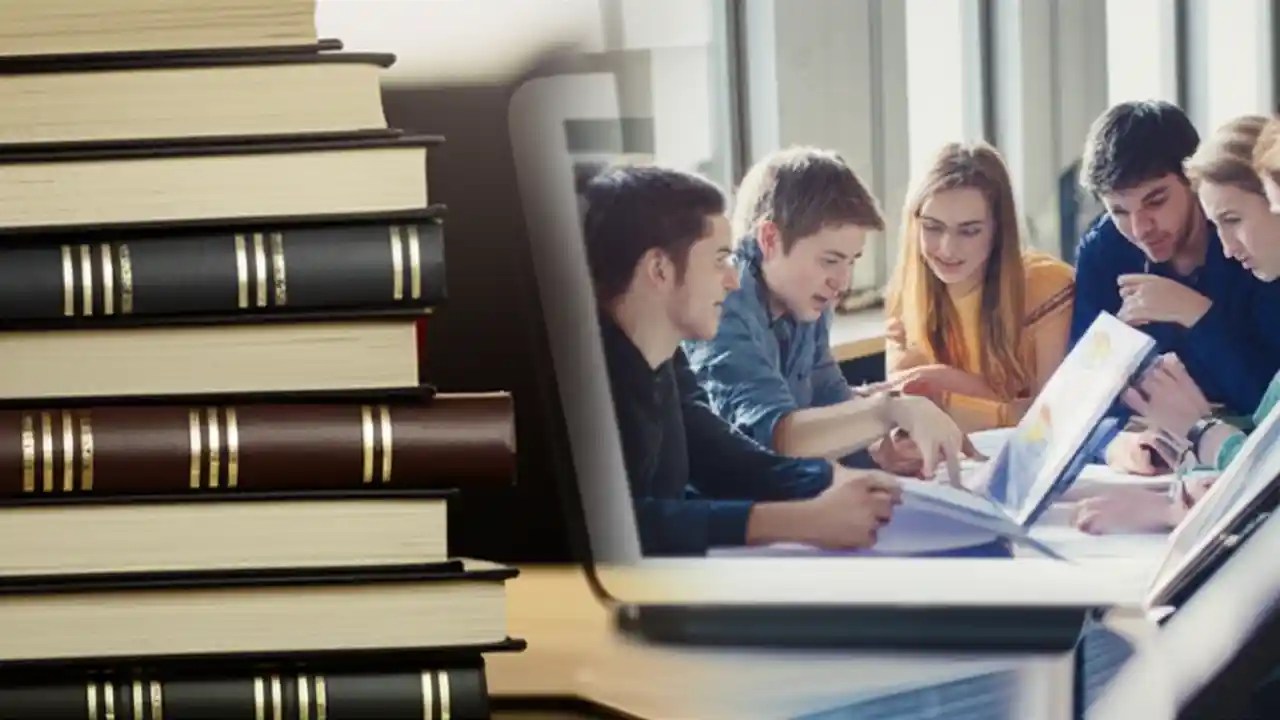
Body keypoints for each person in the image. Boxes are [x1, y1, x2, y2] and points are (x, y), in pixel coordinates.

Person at [582, 163, 902, 556]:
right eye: (720, 259)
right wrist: (802, 520)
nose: (732, 280)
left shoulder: (666, 363)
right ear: (660, 270)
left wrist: (831, 480)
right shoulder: (581, 382)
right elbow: (614, 523)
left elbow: (725, 459)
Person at [682, 146, 974, 478]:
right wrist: (889, 410)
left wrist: (878, 450)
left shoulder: (807, 298)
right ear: (769, 239)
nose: (843, 282)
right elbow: (776, 438)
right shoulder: (724, 301)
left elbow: (829, 396)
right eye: (830, 260)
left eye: (852, 261)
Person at [1074, 115, 1280, 534]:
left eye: (1156, 201)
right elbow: (1079, 396)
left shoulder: (1259, 263)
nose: (1139, 228)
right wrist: (1117, 445)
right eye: (1118, 210)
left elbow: (1265, 451)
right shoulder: (1106, 252)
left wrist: (1197, 317)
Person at [885, 141, 1076, 433]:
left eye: (970, 231)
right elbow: (903, 414)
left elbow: (1053, 419)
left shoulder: (1046, 287)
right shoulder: (905, 297)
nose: (947, 249)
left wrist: (943, 385)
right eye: (932, 227)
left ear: (999, 230)